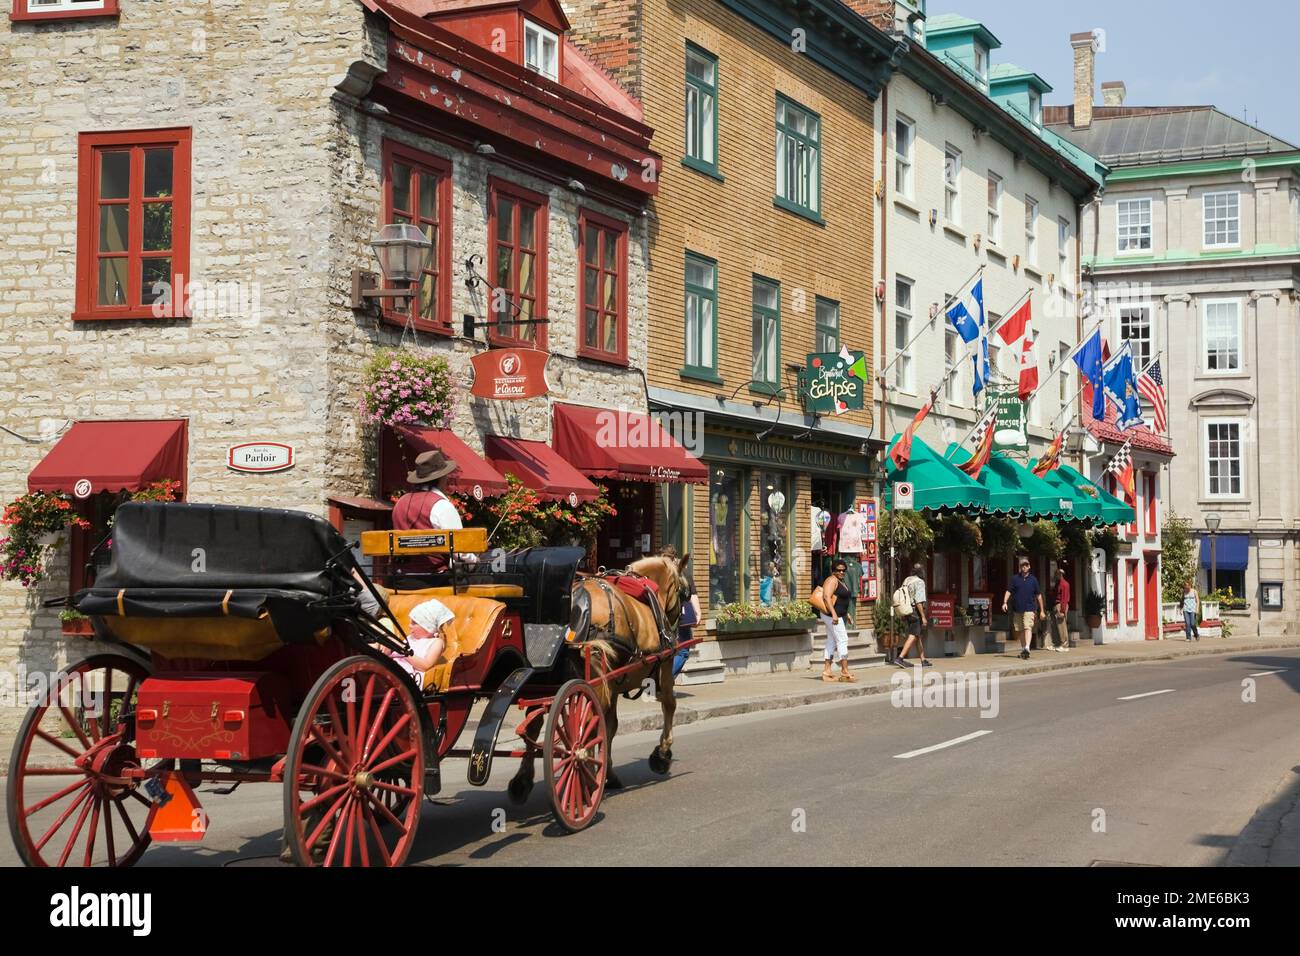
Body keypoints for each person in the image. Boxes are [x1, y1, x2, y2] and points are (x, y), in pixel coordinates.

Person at [663, 547, 701, 678]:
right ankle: (665, 682)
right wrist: (697, 613)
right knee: (682, 652)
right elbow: (692, 594)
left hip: (661, 619)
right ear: (674, 558)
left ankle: (662, 683)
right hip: (680, 618)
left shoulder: (658, 574)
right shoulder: (682, 574)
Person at [819, 560, 856, 682]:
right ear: (833, 570)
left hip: (837, 615)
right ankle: (844, 671)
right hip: (832, 616)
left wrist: (847, 614)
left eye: (843, 570)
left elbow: (840, 599)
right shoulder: (831, 580)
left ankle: (827, 671)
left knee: (831, 641)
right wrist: (834, 614)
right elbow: (826, 597)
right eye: (838, 570)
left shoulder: (840, 581)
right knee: (843, 640)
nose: (841, 572)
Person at [1003, 557, 1045, 660]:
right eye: (1022, 565)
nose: (1024, 567)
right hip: (1017, 609)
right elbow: (1009, 591)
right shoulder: (1015, 579)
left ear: (1029, 566)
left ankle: (1027, 647)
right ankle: (1024, 649)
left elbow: (1039, 595)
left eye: (1026, 565)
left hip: (1029, 608)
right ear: (1020, 567)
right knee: (1020, 630)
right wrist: (1004, 602)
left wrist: (1042, 610)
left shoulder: (1033, 580)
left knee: (1028, 627)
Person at [893, 563, 931, 668]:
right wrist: (923, 616)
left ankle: (923, 660)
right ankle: (900, 658)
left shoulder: (907, 580)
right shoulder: (920, 582)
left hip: (907, 610)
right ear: (922, 572)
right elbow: (919, 601)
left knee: (917, 635)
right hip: (915, 611)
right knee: (913, 635)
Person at [1049, 563, 1071, 652]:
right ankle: (1057, 643)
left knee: (1062, 626)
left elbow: (1064, 598)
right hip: (1056, 604)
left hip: (1061, 605)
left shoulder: (1064, 584)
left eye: (1057, 574)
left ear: (1061, 575)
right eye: (1056, 574)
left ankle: (1064, 645)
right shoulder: (1058, 584)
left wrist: (1062, 610)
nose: (1056, 576)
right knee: (1055, 626)